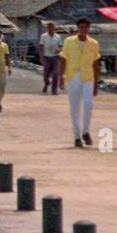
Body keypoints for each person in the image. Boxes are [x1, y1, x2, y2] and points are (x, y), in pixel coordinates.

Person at [59, 17, 100, 148]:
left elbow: (95, 63)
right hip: (72, 76)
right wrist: (61, 76)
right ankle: (77, 136)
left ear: (89, 28)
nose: (83, 30)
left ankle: (86, 131)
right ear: (78, 28)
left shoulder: (93, 43)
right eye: (81, 27)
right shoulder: (69, 41)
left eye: (86, 27)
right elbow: (63, 59)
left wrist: (96, 83)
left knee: (88, 104)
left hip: (88, 76)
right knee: (74, 108)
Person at [39, 21, 62, 95]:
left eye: (52, 27)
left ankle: (54, 90)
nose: (50, 28)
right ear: (47, 28)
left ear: (54, 28)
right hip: (46, 57)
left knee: (55, 74)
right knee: (46, 74)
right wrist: (41, 57)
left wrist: (59, 50)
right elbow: (41, 46)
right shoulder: (43, 36)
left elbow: (60, 46)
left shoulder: (58, 36)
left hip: (55, 57)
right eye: (49, 27)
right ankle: (46, 84)